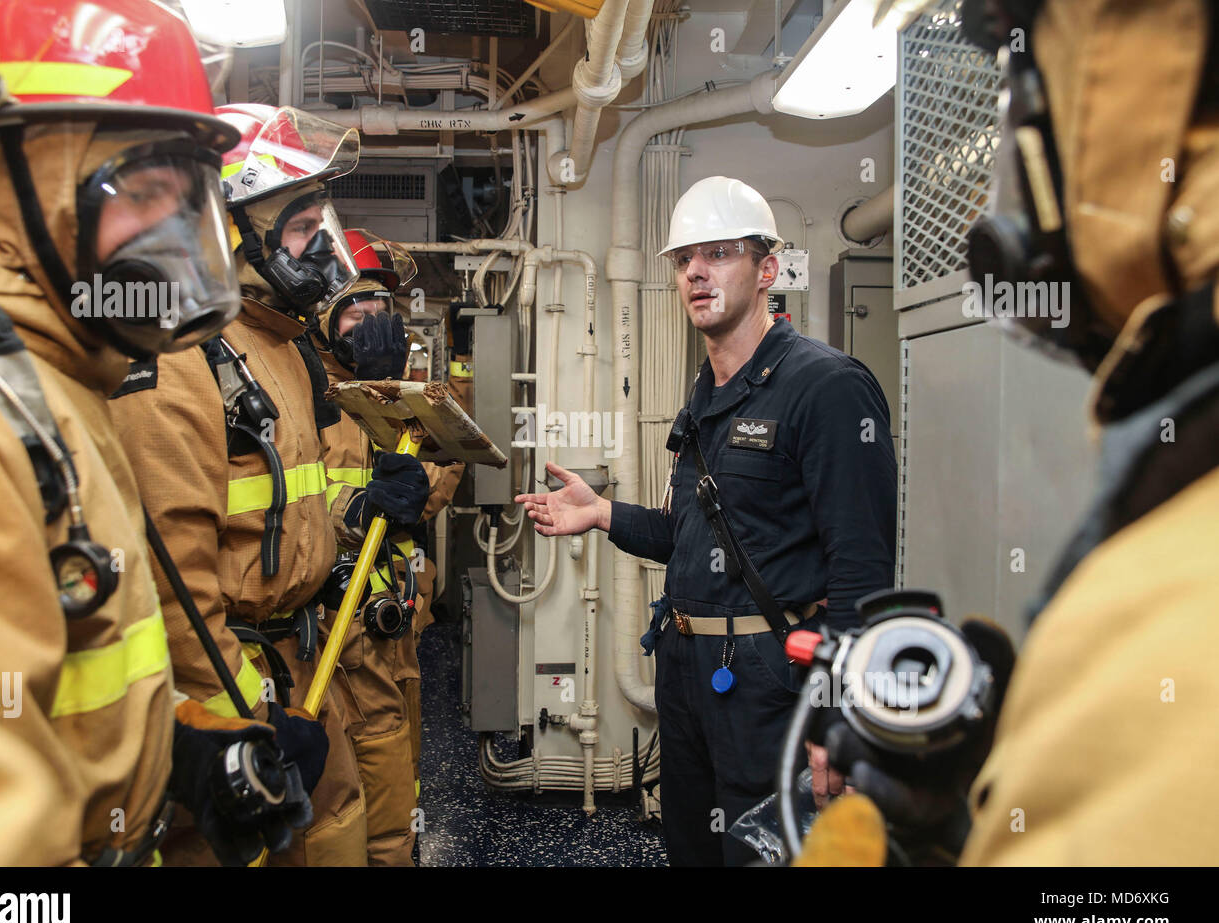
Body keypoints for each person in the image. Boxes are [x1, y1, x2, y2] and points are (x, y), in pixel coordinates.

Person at [812, 0, 1219, 866]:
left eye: (1015, 59)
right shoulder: (1177, 456)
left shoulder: (1178, 612)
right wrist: (964, 818)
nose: (1010, 134)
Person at [0, 0, 317, 866]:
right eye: (143, 193)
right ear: (1, 180)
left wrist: (173, 752)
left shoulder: (53, 378)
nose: (172, 245)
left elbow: (64, 678)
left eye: (185, 204)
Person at [517, 176, 898, 866]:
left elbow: (864, 572)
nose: (696, 270)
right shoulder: (706, 394)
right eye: (684, 258)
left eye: (720, 252)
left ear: (768, 269)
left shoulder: (826, 387)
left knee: (764, 855)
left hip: (773, 681)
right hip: (691, 672)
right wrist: (603, 513)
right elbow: (693, 540)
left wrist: (838, 720)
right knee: (694, 849)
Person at [111, 104, 426, 866]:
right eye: (300, 224)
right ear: (223, 229)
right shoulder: (176, 360)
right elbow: (170, 591)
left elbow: (292, 516)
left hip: (304, 666)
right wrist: (242, 723)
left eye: (321, 220)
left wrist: (364, 511)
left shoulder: (282, 350)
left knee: (342, 829)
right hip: (236, 686)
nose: (318, 244)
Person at [314, 229, 464, 864]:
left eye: (381, 313)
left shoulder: (411, 390)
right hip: (325, 620)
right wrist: (357, 507)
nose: (371, 326)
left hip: (393, 618)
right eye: (355, 312)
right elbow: (290, 501)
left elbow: (437, 477)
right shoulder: (305, 391)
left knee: (398, 761)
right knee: (344, 779)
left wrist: (388, 396)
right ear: (325, 321)